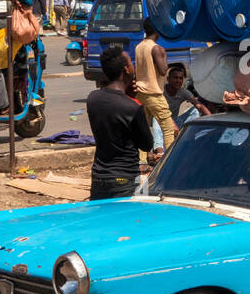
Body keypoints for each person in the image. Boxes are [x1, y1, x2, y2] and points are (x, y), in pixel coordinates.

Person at [87, 46, 155, 200]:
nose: (133, 66)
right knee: (134, 220)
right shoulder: (133, 107)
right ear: (126, 69)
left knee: (103, 221)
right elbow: (146, 144)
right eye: (131, 62)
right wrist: (132, 98)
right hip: (126, 179)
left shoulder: (92, 99)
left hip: (99, 176)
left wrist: (127, 95)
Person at [134, 18, 175, 153]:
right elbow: (163, 71)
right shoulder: (155, 48)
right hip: (154, 93)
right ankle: (168, 161)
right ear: (157, 30)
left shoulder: (139, 46)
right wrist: (164, 55)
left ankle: (142, 162)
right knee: (168, 127)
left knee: (143, 128)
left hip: (141, 92)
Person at [164, 63, 211, 129]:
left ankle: (189, 134)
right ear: (168, 79)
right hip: (162, 121)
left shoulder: (183, 92)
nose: (178, 81)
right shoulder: (161, 91)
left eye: (180, 78)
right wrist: (172, 125)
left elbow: (199, 105)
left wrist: (212, 119)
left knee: (195, 111)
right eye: (175, 78)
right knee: (156, 119)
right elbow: (161, 112)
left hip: (175, 120)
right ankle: (159, 139)